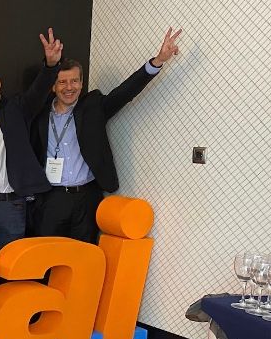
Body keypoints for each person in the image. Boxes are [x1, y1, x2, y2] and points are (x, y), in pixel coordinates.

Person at [31, 27, 183, 243]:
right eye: (62, 82)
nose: (69, 87)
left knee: (85, 256)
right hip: (51, 199)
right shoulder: (38, 113)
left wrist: (158, 61)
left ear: (81, 83)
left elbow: (125, 92)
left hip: (86, 199)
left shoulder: (93, 107)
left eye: (74, 81)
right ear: (53, 86)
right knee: (48, 254)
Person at [0, 28, 64, 255]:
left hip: (11, 204)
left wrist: (51, 66)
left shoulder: (16, 109)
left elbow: (37, 92)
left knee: (11, 265)